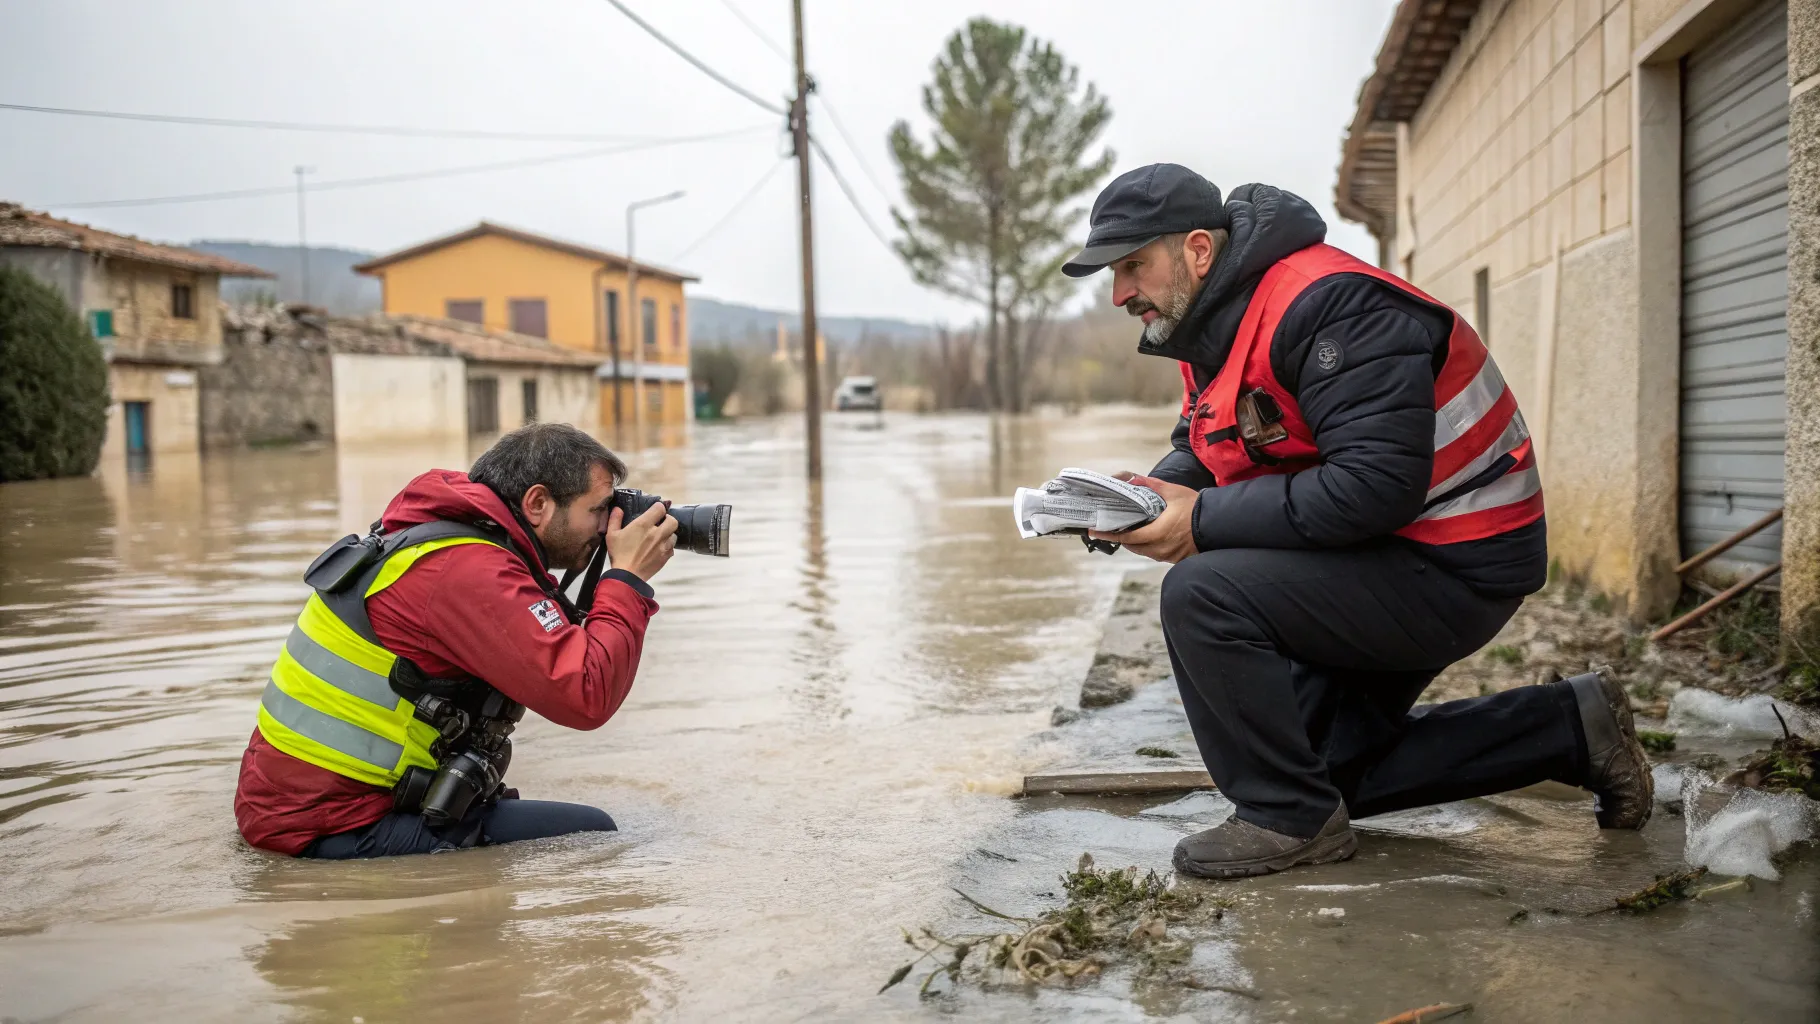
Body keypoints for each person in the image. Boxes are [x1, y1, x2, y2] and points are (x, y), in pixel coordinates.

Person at [1061, 164, 1652, 878]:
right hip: (1382, 554)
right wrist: (1153, 495)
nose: (1121, 293)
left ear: (1197, 251)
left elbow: (1375, 486)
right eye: (1114, 275)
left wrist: (1202, 520)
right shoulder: (1214, 324)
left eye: (1133, 266)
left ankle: (1290, 821)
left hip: (1457, 560)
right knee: (1321, 767)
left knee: (1202, 591)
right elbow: (1207, 440)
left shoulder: (1330, 305)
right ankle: (1573, 728)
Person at [234, 423, 677, 858]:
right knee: (595, 838)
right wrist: (627, 579)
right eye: (600, 510)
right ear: (538, 503)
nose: (609, 527)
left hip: (296, 806)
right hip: (327, 823)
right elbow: (586, 694)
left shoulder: (452, 541)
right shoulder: (467, 570)